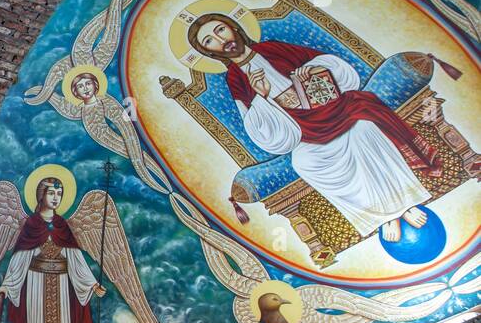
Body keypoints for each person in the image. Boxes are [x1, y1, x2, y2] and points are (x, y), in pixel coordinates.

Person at [188, 13, 440, 241]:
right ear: (210, 53)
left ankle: (405, 205)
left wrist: (313, 69)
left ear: (233, 27)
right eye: (209, 41)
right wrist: (261, 98)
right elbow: (259, 132)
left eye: (220, 30)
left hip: (337, 108)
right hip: (303, 130)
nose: (220, 41)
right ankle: (382, 217)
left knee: (364, 130)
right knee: (304, 161)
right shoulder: (235, 79)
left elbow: (334, 67)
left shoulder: (271, 48)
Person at [0, 177, 106, 323]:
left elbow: (75, 258)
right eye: (51, 193)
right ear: (41, 195)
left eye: (59, 194)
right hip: (37, 281)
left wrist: (91, 284)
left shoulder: (62, 225)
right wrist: (7, 285)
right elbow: (20, 258)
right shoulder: (31, 225)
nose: (56, 198)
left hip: (61, 283)